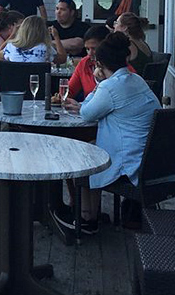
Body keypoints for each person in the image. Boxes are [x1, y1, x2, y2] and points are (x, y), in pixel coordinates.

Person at [53, 31, 159, 235]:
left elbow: (87, 113)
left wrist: (98, 83)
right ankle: (91, 215)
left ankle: (86, 218)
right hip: (149, 158)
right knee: (91, 146)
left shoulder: (110, 86)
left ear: (100, 63)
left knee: (82, 155)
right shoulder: (136, 79)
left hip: (130, 164)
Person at [67, 24, 111, 99]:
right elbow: (70, 90)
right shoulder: (84, 62)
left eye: (94, 48)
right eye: (87, 49)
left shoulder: (119, 64)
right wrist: (59, 97)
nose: (90, 53)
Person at [1, 15, 67, 64]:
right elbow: (63, 59)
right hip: (37, 81)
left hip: (14, 82)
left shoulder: (11, 47)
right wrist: (56, 37)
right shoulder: (45, 48)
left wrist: (13, 34)